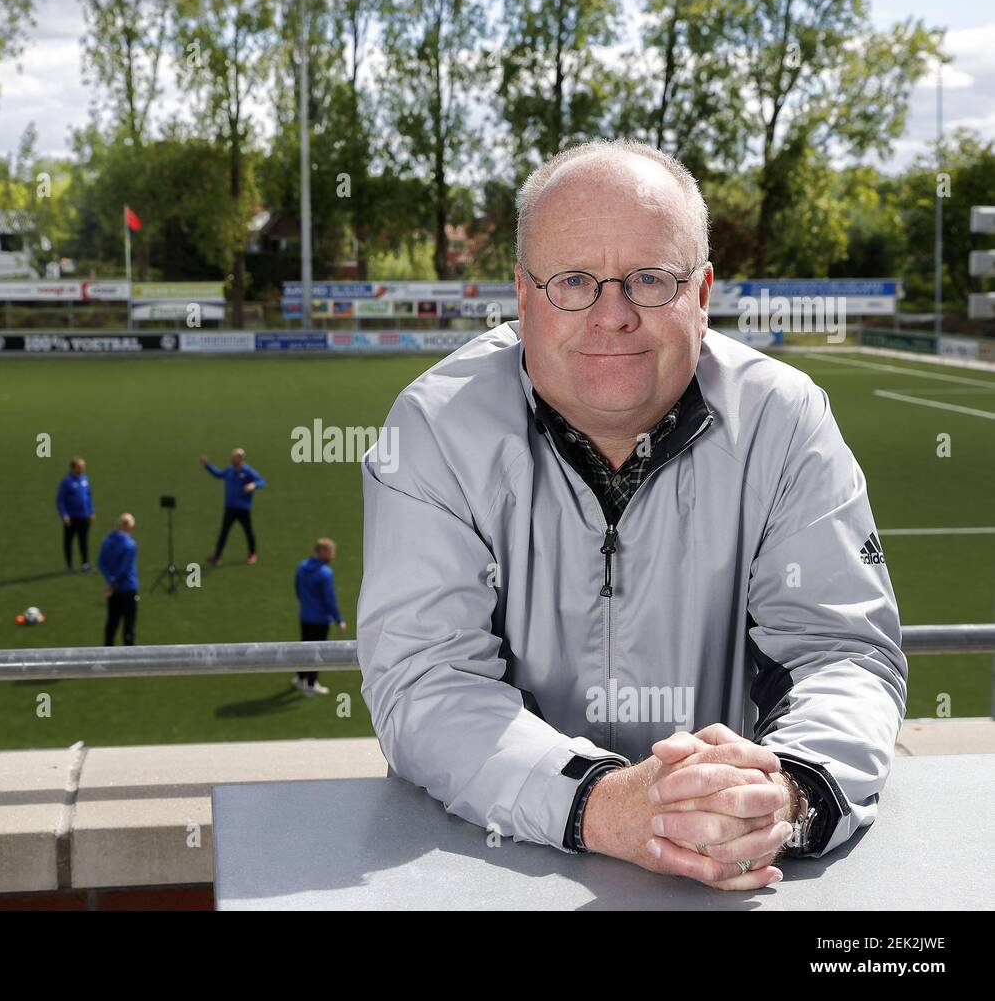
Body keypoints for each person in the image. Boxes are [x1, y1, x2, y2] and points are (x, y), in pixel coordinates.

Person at [356, 138, 907, 892]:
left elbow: (844, 654)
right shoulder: (434, 427)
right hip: (492, 863)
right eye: (573, 281)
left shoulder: (785, 421)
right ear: (522, 294)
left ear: (702, 291)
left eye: (650, 279)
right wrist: (600, 802)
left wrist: (786, 795)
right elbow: (426, 681)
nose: (611, 315)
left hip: (730, 871)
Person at [294, 537, 347, 696]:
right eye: (331, 552)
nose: (333, 556)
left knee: (304, 648)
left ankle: (300, 678)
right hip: (320, 619)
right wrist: (339, 619)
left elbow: (297, 588)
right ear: (322, 552)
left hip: (305, 616)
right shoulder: (325, 573)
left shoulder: (302, 567)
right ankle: (311, 685)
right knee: (318, 651)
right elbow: (329, 599)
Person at [200, 448, 266, 565]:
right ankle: (217, 556)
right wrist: (207, 465)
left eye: (234, 457)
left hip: (243, 509)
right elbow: (218, 474)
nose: (232, 458)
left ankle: (252, 554)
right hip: (230, 508)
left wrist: (253, 484)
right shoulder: (230, 470)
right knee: (224, 532)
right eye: (232, 456)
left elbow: (262, 482)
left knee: (248, 532)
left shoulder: (247, 471)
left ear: (240, 459)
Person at [98, 513, 139, 646]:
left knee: (112, 621)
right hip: (127, 588)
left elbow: (101, 563)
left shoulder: (107, 540)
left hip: (113, 589)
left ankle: (107, 650)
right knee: (129, 624)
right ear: (131, 527)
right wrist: (114, 582)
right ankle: (130, 653)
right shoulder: (130, 544)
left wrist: (110, 581)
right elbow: (125, 568)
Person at [56, 457, 95, 572]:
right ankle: (69, 565)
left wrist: (91, 511)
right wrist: (64, 515)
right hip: (71, 517)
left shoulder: (85, 479)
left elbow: (88, 496)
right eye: (81, 466)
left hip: (84, 516)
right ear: (73, 467)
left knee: (84, 541)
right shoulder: (66, 481)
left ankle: (85, 564)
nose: (83, 468)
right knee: (68, 541)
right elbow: (60, 500)